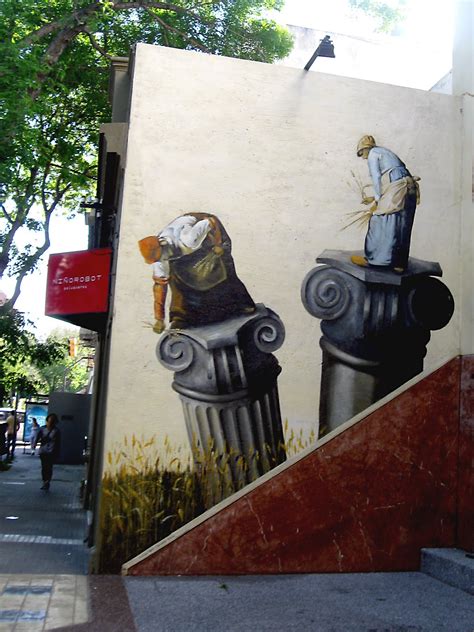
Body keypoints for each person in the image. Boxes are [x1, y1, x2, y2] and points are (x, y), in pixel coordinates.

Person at [138, 212, 255, 332]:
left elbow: (211, 222)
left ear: (163, 246)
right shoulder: (160, 259)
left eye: (160, 256)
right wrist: (159, 319)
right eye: (158, 259)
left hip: (211, 233)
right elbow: (160, 286)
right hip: (188, 248)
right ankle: (181, 318)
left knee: (222, 268)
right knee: (176, 277)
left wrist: (218, 244)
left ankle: (242, 304)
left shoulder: (188, 239)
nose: (161, 260)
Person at [351, 135, 420, 273]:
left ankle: (375, 259)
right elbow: (394, 180)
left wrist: (377, 200)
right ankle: (399, 264)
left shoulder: (373, 154)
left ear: (366, 149)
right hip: (409, 187)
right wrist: (373, 198)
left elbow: (377, 177)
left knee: (379, 220)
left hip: (398, 189)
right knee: (402, 223)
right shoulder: (386, 153)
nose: (363, 157)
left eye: (362, 153)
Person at [34, 414, 61, 491]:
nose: (49, 423)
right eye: (48, 421)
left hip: (51, 451)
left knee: (49, 467)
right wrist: (35, 444)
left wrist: (57, 453)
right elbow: (38, 437)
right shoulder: (43, 429)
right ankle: (45, 481)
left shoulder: (56, 431)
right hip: (43, 451)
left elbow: (58, 443)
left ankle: (47, 481)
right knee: (44, 467)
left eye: (51, 422)